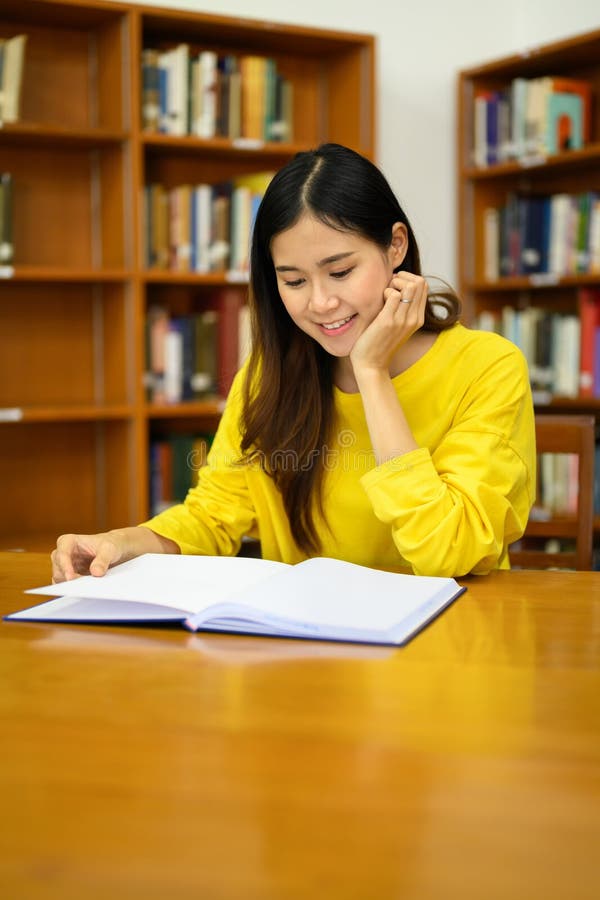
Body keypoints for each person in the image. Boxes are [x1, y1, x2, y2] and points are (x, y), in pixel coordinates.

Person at [51, 143, 535, 583]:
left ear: (396, 247)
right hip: (305, 648)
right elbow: (212, 517)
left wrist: (372, 373)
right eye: (294, 281)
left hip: (449, 647)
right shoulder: (270, 374)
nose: (320, 303)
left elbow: (446, 552)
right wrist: (119, 544)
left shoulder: (488, 366)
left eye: (340, 271)